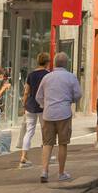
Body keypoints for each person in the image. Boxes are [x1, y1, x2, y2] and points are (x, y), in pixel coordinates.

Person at [36, 51, 82, 183]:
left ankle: (44, 171)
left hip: (48, 113)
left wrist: (44, 105)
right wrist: (70, 100)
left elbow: (39, 96)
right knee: (63, 144)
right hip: (64, 113)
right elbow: (78, 94)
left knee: (47, 143)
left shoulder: (47, 77)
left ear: (54, 63)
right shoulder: (71, 77)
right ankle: (61, 172)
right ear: (66, 63)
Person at [17, 52, 50, 167]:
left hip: (30, 105)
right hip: (43, 106)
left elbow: (26, 91)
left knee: (29, 132)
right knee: (45, 131)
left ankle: (24, 157)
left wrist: (24, 104)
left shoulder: (31, 75)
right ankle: (47, 155)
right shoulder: (48, 74)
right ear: (47, 62)